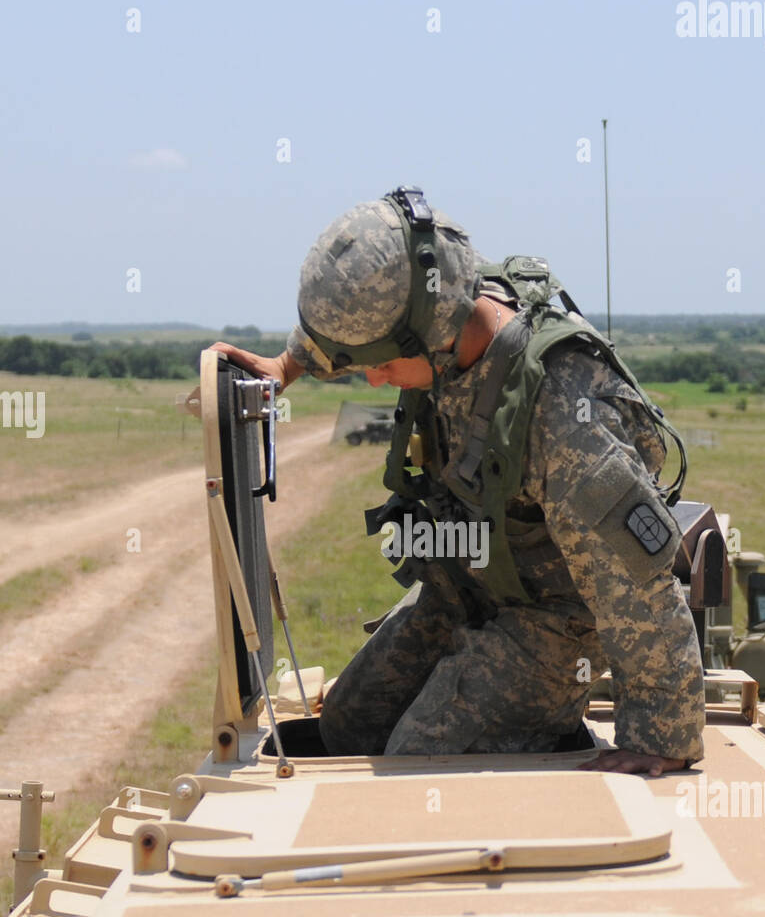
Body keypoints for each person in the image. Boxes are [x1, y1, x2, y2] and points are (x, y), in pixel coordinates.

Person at [211, 186, 706, 775]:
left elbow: (634, 578)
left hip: (556, 615)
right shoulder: (436, 305)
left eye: (385, 366)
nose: (375, 382)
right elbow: (359, 321)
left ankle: (539, 734)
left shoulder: (560, 410)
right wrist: (286, 366)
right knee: (347, 725)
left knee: (417, 764)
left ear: (434, 333)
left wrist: (660, 734)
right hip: (469, 584)